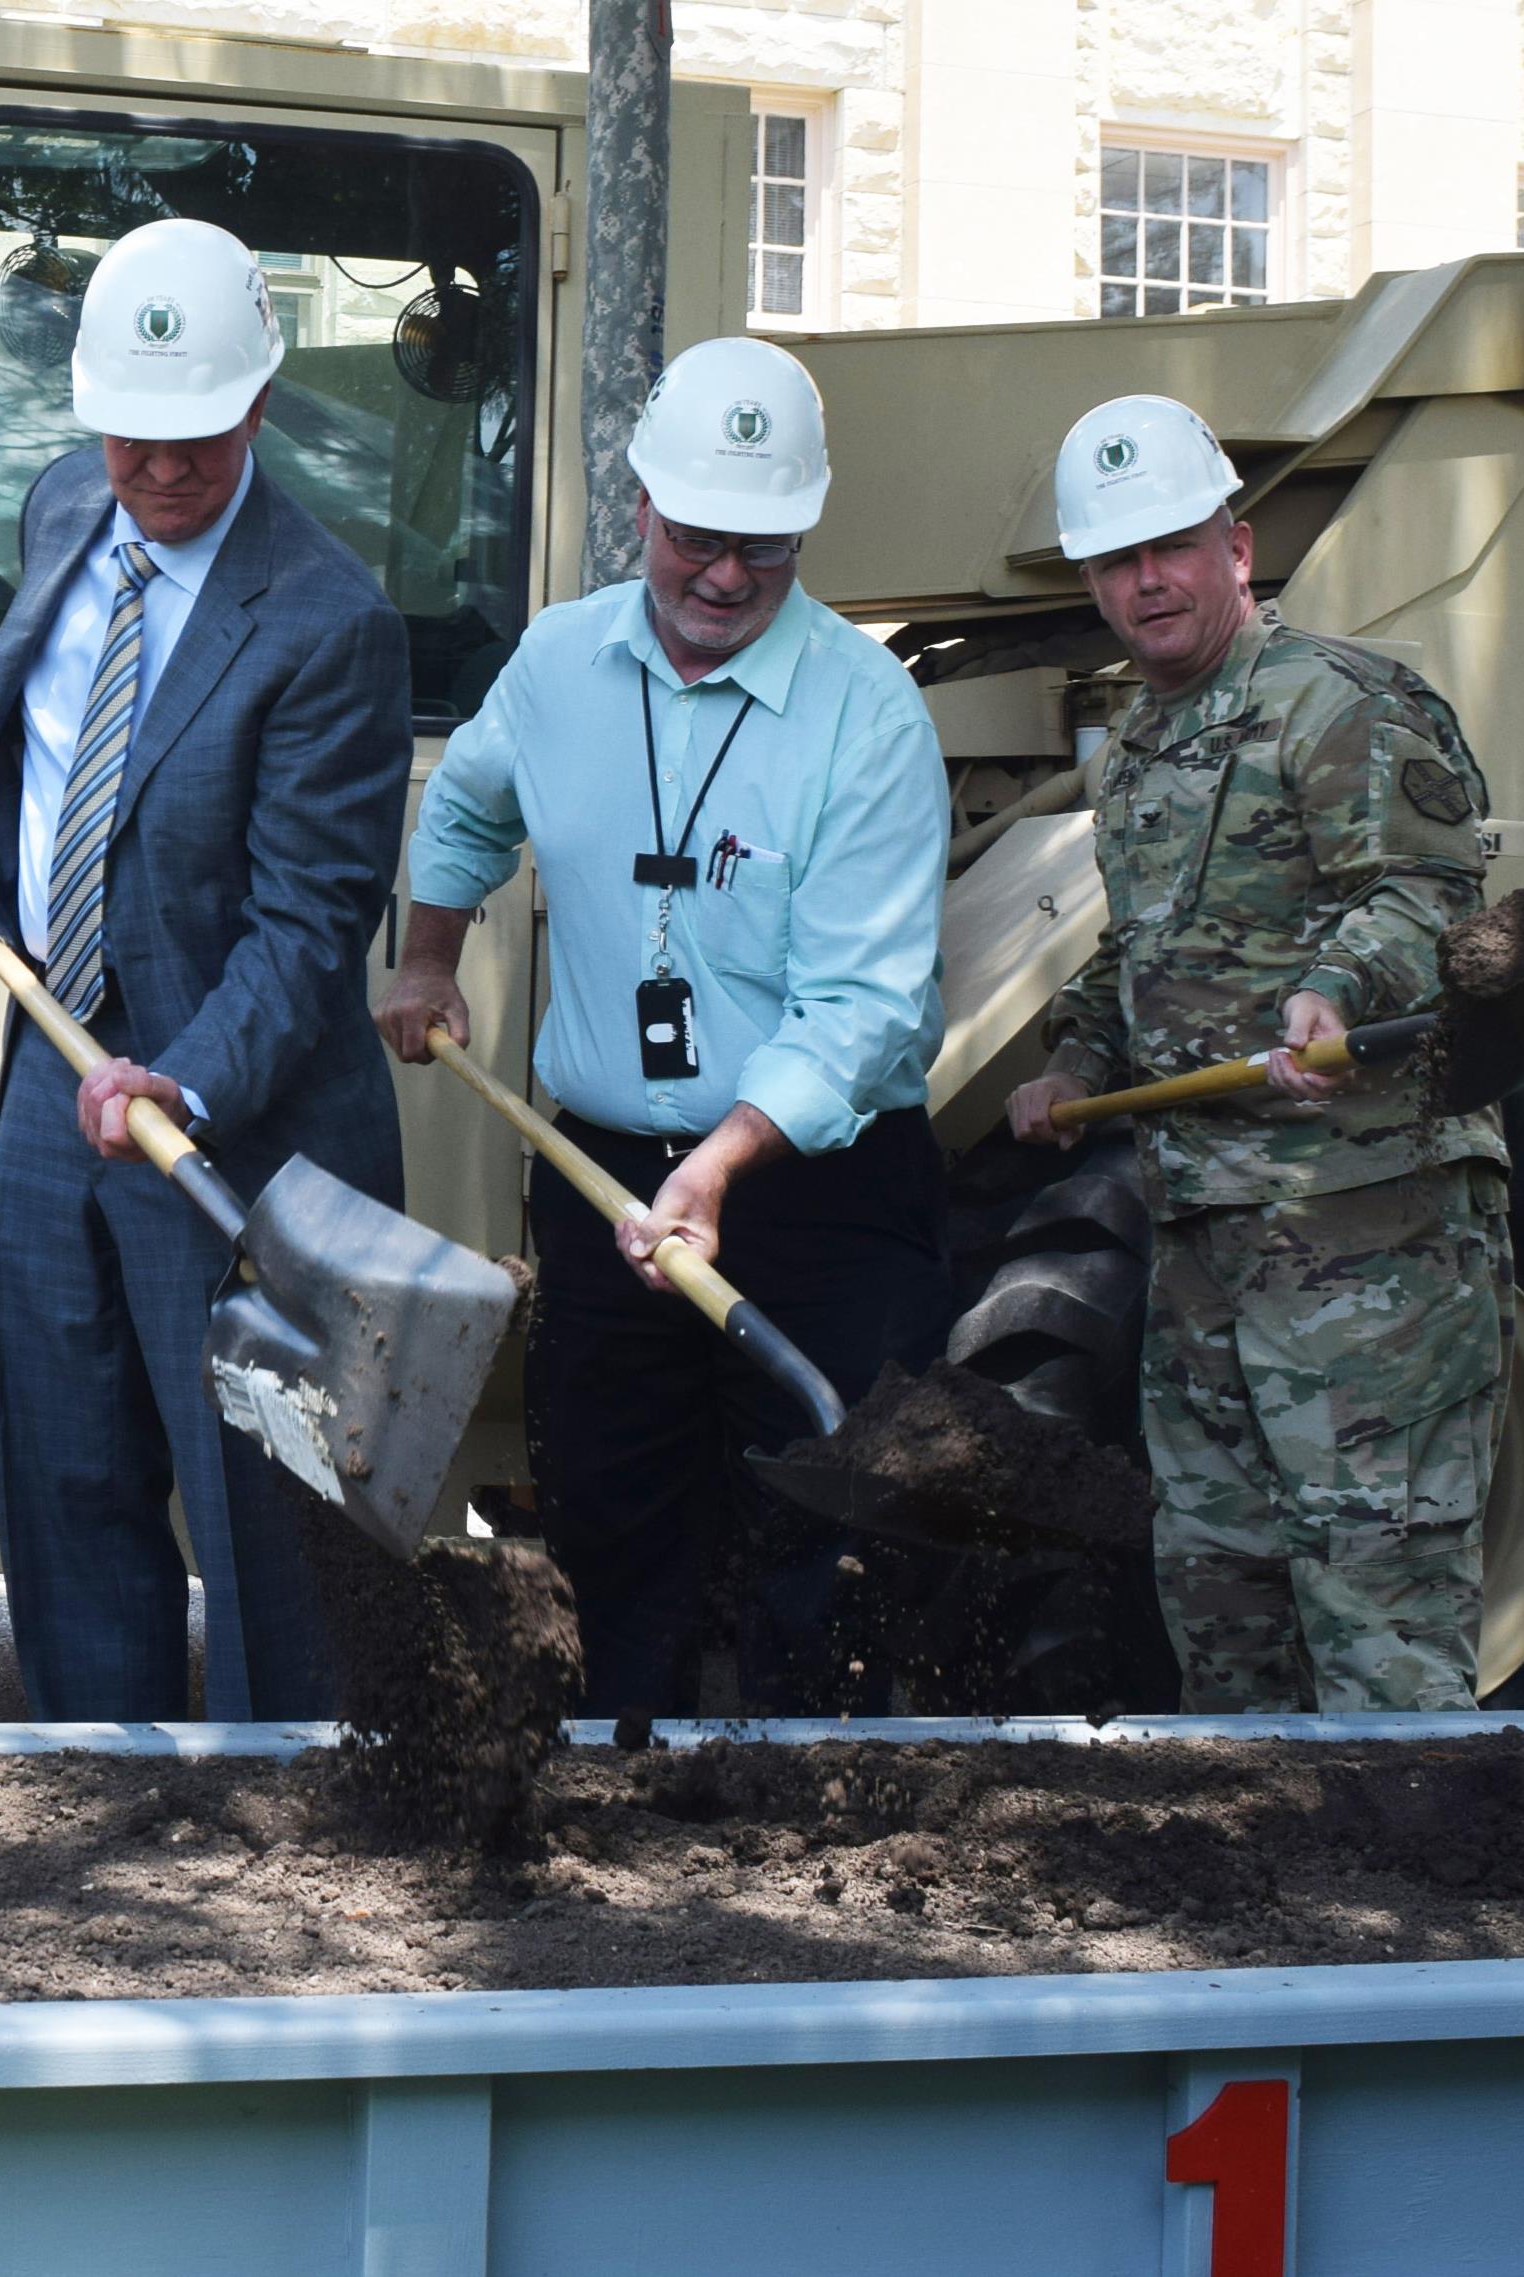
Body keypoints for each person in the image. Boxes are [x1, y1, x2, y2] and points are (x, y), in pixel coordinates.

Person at [0, 217, 412, 1723]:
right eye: (134, 439)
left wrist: (179, 1075)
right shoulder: (65, 504)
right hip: (59, 1079)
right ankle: (102, 1796)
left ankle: (285, 1825)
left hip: (234, 1120)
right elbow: (46, 743)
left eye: (197, 439)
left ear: (259, 406)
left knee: (260, 1518)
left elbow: (312, 926)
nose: (161, 472)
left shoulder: (329, 624)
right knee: (66, 1471)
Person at [381, 336, 951, 1720]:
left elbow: (865, 1008)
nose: (724, 573)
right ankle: (623, 1804)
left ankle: (803, 1830)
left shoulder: (869, 716)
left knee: (820, 1530)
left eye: (764, 546)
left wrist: (717, 1166)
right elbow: (465, 806)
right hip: (601, 1183)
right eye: (699, 535)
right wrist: (426, 955)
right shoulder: (559, 660)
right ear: (640, 505)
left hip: (814, 1190)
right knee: (612, 1514)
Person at [1005, 396, 1506, 1714]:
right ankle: (1274, 1912)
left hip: (1366, 1232)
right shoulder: (1140, 754)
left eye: (1169, 545)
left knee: (1377, 1604)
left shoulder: (1340, 703)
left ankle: (1409, 1898)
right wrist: (1073, 1058)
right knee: (1221, 1610)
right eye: (1114, 561)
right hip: (1207, 1242)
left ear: (1235, 544)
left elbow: (1424, 892)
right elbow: (1146, 951)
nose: (1144, 581)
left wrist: (1337, 989)